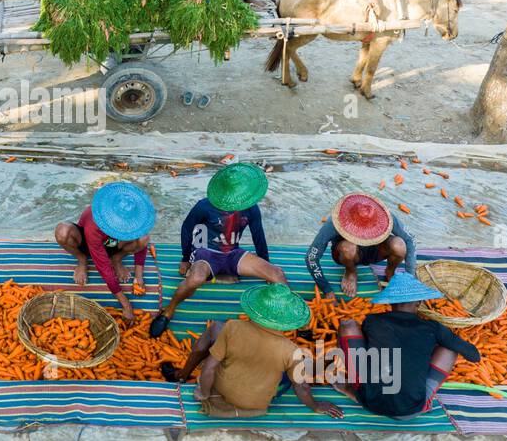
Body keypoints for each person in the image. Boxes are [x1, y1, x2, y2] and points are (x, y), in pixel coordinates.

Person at [160, 283, 343, 419]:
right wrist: (316, 406)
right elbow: (301, 387)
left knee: (216, 328)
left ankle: (182, 375)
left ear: (256, 308)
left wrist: (205, 393)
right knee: (299, 367)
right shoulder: (291, 350)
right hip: (257, 401)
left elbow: (208, 370)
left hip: (224, 390)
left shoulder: (232, 327)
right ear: (287, 321)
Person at [148, 162, 286, 338]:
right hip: (207, 252)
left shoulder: (251, 207)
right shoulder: (204, 206)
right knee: (195, 279)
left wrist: (265, 263)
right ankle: (168, 311)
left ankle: (281, 318)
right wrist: (185, 258)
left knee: (278, 275)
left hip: (233, 254)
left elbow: (258, 235)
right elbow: (186, 229)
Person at [331, 270, 480, 419]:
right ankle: (425, 401)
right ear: (419, 303)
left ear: (389, 301)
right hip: (411, 410)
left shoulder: (373, 321)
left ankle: (351, 388)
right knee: (450, 349)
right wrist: (441, 338)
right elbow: (474, 356)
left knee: (348, 325)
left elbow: (365, 347)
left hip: (371, 403)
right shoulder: (432, 327)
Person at [53, 181, 155, 327]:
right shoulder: (94, 224)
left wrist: (139, 277)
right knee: (62, 231)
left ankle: (117, 259)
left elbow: (141, 239)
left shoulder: (130, 220)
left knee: (144, 238)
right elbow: (103, 267)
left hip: (114, 244)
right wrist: (125, 304)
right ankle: (82, 260)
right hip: (88, 244)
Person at [306, 192, 416, 299]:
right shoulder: (335, 222)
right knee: (348, 248)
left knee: (399, 245)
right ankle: (350, 271)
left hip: (375, 250)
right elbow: (311, 257)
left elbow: (410, 239)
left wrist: (410, 277)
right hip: (348, 254)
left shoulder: (386, 217)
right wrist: (326, 289)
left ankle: (390, 271)